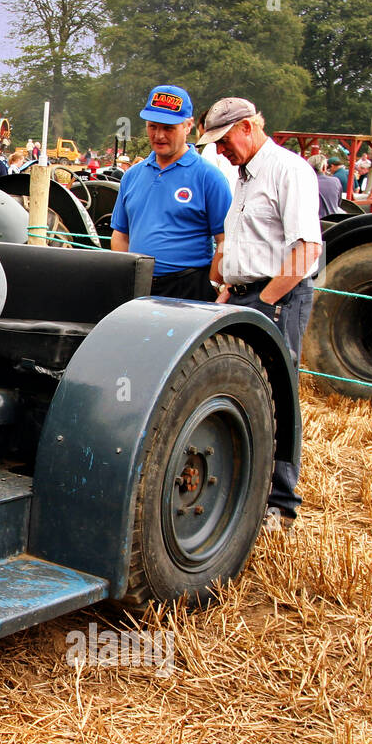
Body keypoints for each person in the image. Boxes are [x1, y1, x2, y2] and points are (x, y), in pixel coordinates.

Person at [197, 96, 321, 532]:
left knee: (278, 395)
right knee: (245, 389)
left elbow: (306, 249)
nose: (221, 150)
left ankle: (282, 503)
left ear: (248, 127)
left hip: (279, 298)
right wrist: (227, 288)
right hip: (243, 295)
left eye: (225, 139)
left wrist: (267, 301)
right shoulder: (242, 176)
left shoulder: (289, 170)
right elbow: (238, 240)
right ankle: (247, 491)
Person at [109, 85, 231, 302]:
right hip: (139, 285)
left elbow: (225, 240)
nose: (159, 135)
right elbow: (121, 234)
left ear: (188, 126)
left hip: (188, 287)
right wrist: (126, 276)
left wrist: (212, 284)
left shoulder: (208, 177)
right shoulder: (132, 175)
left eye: (168, 128)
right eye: (152, 127)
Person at [308, 153, 341, 218]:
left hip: (313, 221)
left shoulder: (306, 182)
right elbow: (338, 203)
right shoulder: (335, 181)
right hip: (332, 222)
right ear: (324, 167)